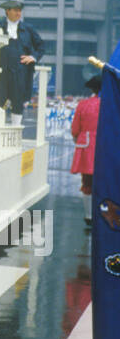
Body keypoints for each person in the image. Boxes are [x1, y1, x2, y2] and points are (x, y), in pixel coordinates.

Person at [0, 0, 44, 125]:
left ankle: (16, 130)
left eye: (20, 11)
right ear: (7, 11)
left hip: (21, 73)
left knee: (18, 102)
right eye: (15, 10)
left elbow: (41, 47)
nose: (18, 13)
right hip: (2, 72)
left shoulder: (28, 29)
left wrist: (33, 57)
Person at [71, 71, 101, 225]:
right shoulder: (112, 104)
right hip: (105, 149)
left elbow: (75, 129)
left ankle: (88, 215)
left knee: (87, 182)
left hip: (87, 146)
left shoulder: (83, 105)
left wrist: (78, 138)